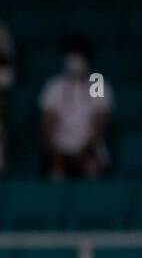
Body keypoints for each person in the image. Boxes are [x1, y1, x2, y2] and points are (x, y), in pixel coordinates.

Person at [40, 36, 112, 180]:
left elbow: (100, 120)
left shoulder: (96, 83)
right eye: (71, 56)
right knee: (55, 175)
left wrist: (86, 151)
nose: (75, 61)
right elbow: (48, 121)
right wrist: (56, 154)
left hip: (89, 147)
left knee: (93, 170)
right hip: (59, 148)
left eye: (79, 56)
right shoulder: (55, 85)